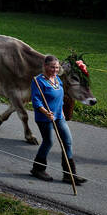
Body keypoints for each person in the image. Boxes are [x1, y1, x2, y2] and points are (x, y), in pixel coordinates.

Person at [30, 54, 85, 185]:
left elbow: (60, 98)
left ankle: (69, 174)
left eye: (57, 67)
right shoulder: (38, 81)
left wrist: (61, 112)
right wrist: (45, 112)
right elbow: (36, 101)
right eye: (52, 67)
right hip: (44, 118)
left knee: (67, 142)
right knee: (48, 142)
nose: (55, 70)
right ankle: (38, 169)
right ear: (45, 66)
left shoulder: (57, 79)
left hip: (59, 116)